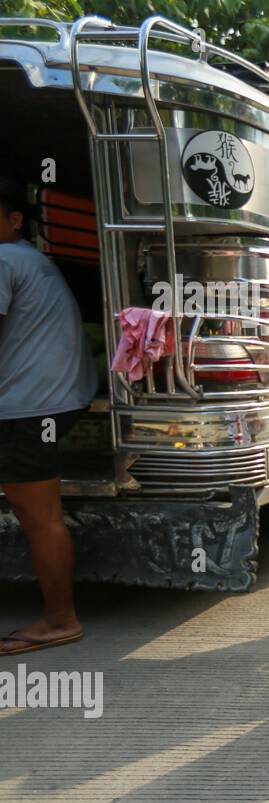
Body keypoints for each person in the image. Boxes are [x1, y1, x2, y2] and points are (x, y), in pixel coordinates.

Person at [0, 176, 98, 655]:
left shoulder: (4, 259)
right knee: (40, 514)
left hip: (30, 406)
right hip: (52, 401)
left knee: (39, 517)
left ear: (15, 220)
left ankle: (60, 619)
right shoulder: (33, 261)